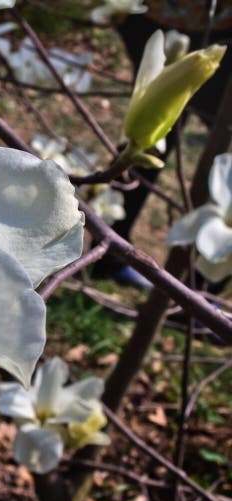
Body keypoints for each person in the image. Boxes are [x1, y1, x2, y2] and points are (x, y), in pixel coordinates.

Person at [93, 1, 232, 289]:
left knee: (155, 133)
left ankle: (203, 288)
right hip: (167, 19)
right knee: (150, 134)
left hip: (195, 22)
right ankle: (110, 250)